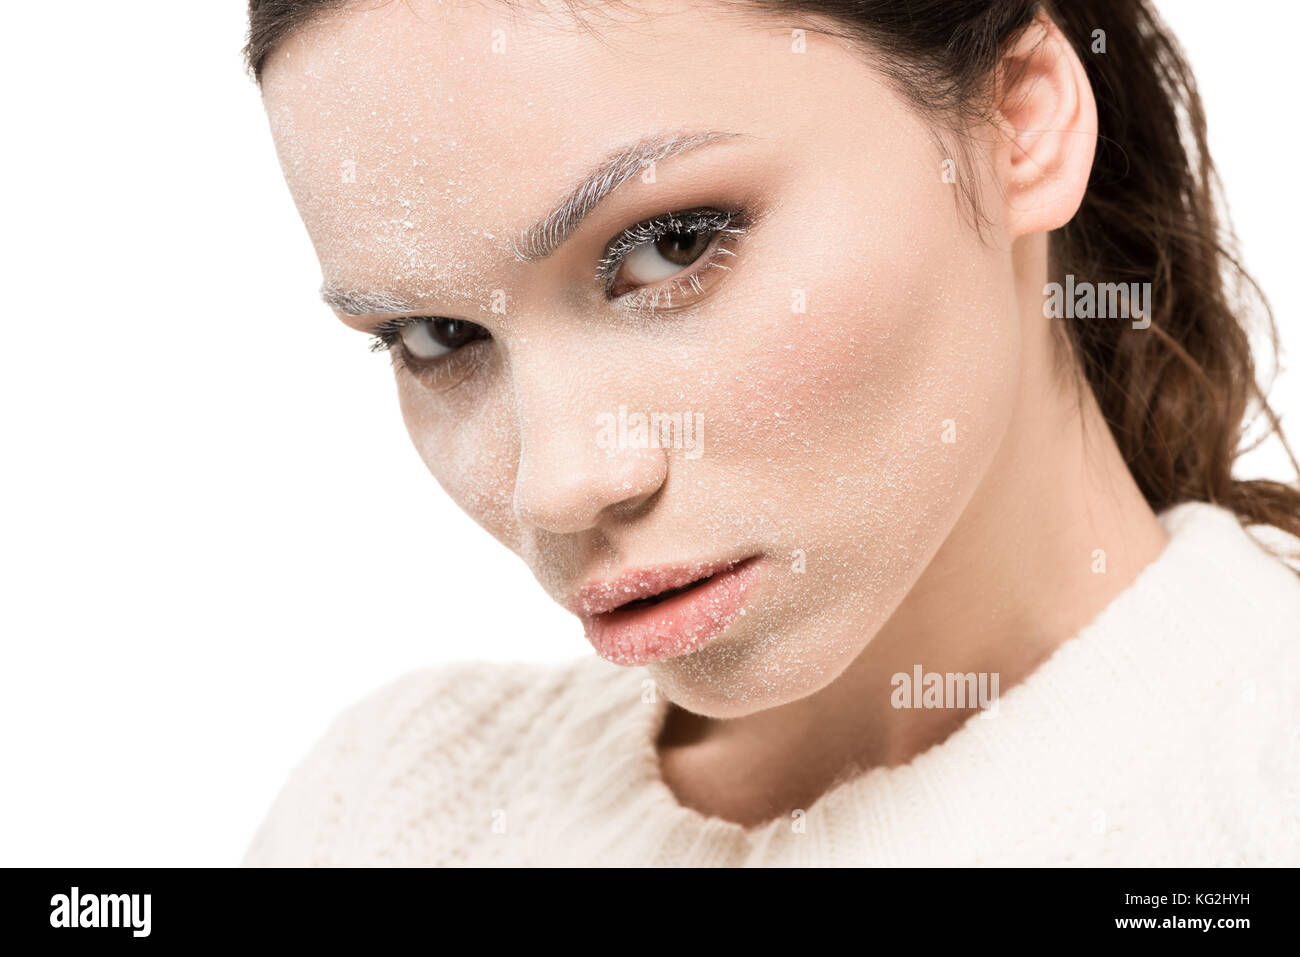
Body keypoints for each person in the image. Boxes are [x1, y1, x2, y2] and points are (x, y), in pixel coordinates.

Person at [239, 0, 1300, 866]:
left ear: (1019, 123)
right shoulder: (379, 816)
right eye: (435, 335)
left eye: (671, 244)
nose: (556, 485)